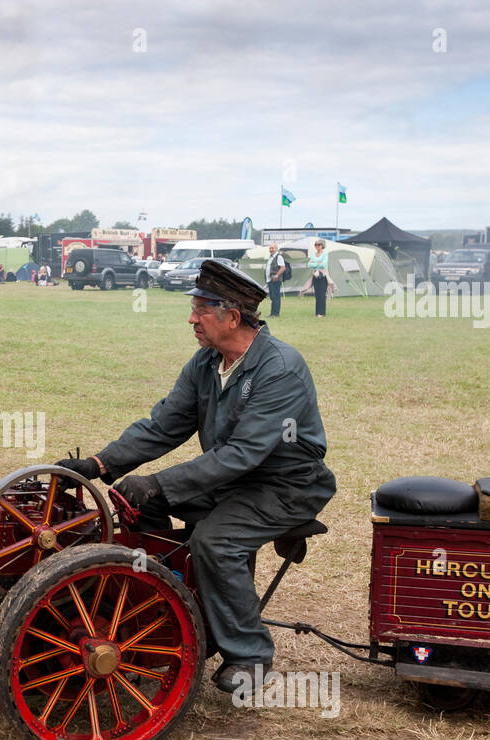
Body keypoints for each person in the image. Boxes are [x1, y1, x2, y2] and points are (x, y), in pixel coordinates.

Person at [55, 259, 336, 695]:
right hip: (234, 480)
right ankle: (169, 614)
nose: (191, 319)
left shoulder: (280, 367)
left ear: (233, 316)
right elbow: (163, 425)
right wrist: (99, 464)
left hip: (286, 487)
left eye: (201, 310)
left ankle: (250, 657)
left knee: (216, 541)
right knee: (137, 507)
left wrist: (161, 483)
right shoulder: (206, 362)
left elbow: (242, 454)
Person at [304, 240, 334, 317]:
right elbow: (309, 264)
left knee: (322, 294)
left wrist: (315, 264)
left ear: (322, 245)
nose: (317, 246)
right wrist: (317, 264)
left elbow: (324, 264)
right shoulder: (314, 254)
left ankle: (322, 313)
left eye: (319, 245)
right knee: (317, 294)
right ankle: (317, 312)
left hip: (323, 276)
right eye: (316, 245)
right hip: (315, 275)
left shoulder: (325, 254)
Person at [266, 243, 286, 317]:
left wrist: (277, 275)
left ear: (276, 249)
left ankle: (276, 313)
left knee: (275, 297)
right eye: (270, 248)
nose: (271, 249)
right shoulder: (270, 257)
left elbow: (283, 267)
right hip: (270, 280)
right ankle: (272, 313)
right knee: (272, 297)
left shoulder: (279, 257)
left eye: (272, 248)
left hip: (276, 280)